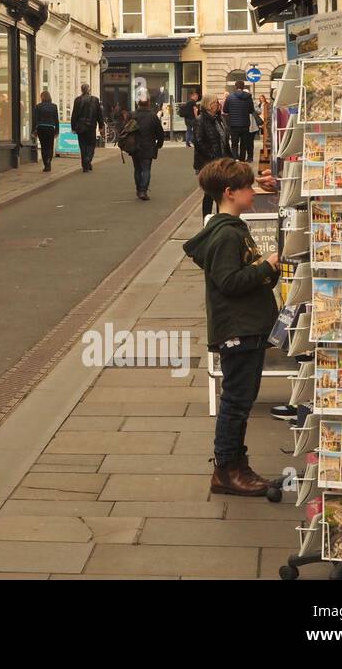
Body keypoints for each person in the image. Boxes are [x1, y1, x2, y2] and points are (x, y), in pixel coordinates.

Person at [182, 158, 281, 496]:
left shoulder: (232, 228)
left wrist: (267, 270)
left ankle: (237, 465)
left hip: (247, 327)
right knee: (236, 402)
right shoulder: (226, 234)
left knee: (241, 400)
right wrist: (265, 267)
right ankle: (226, 469)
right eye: (247, 187)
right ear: (229, 192)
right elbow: (229, 281)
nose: (252, 192)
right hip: (239, 329)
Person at [193, 96, 229, 218]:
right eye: (216, 102)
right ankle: (206, 220)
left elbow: (224, 140)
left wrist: (230, 158)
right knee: (209, 192)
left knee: (222, 192)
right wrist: (211, 156)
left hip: (222, 160)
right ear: (209, 105)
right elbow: (198, 142)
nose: (218, 104)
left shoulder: (218, 119)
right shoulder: (201, 120)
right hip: (208, 162)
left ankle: (221, 218)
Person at [126, 96, 165, 200]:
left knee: (137, 169)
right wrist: (159, 143)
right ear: (148, 103)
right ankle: (143, 190)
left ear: (138, 103)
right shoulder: (153, 116)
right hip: (148, 146)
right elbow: (159, 132)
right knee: (146, 169)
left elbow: (125, 130)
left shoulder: (132, 115)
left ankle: (139, 189)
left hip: (134, 146)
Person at [70, 83, 104, 173]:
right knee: (91, 144)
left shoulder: (77, 100)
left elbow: (74, 115)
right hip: (91, 126)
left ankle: (85, 166)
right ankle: (88, 159)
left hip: (80, 127)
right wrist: (101, 126)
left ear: (82, 90)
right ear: (89, 90)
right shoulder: (95, 100)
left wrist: (73, 127)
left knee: (82, 146)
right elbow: (99, 114)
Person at [224, 79, 256, 162]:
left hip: (234, 124)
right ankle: (242, 159)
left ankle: (235, 158)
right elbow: (251, 110)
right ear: (243, 86)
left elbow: (225, 110)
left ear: (235, 87)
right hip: (245, 124)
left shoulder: (230, 97)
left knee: (234, 143)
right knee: (243, 143)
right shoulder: (248, 96)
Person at [33, 89, 60, 172]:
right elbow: (56, 119)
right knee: (50, 146)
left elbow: (35, 119)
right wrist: (57, 131)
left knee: (43, 146)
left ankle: (46, 164)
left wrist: (34, 130)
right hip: (50, 128)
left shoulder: (38, 106)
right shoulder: (54, 106)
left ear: (42, 97)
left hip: (41, 128)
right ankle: (49, 161)